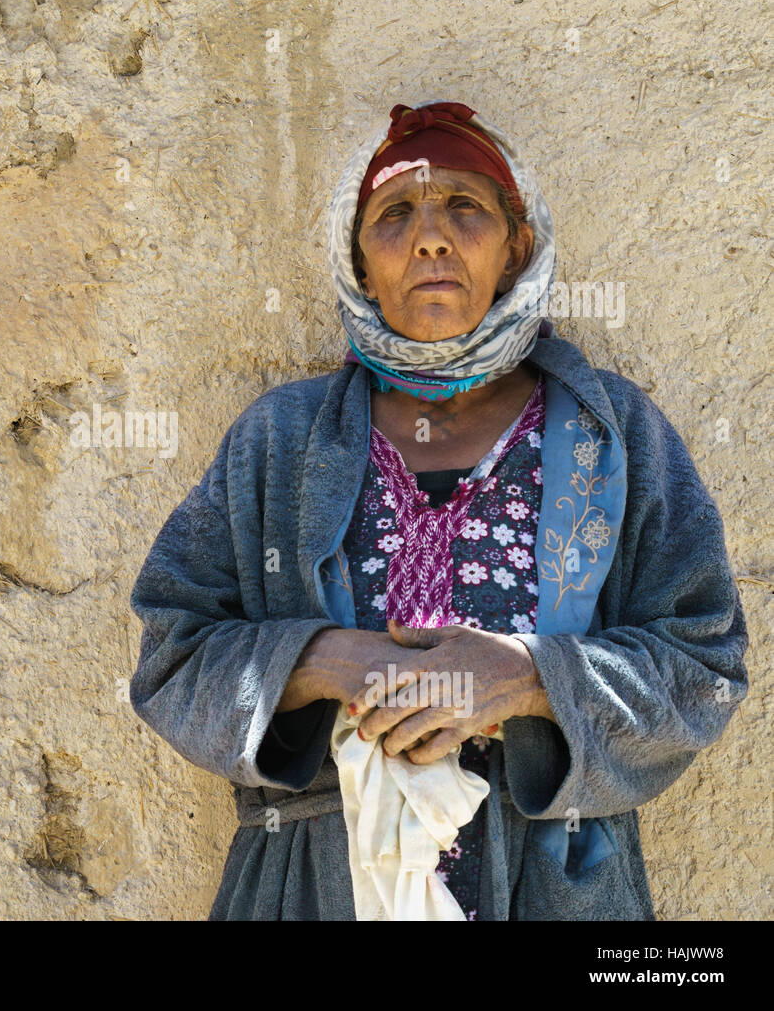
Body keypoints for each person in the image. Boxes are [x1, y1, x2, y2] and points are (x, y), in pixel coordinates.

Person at [128, 100, 750, 920]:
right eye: (395, 214)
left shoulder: (615, 433)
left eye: (464, 206)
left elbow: (706, 668)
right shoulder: (279, 441)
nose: (430, 236)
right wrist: (321, 659)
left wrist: (527, 679)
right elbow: (172, 658)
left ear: (515, 248)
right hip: (319, 885)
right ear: (358, 259)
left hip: (557, 886)